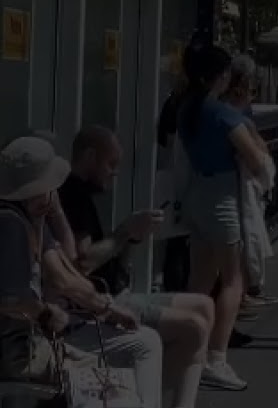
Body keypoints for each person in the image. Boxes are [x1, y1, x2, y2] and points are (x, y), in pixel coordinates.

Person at [0, 136, 165, 408]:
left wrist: (51, 214)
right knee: (113, 386)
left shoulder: (28, 219)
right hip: (19, 354)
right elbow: (10, 299)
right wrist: (45, 312)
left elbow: (66, 261)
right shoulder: (10, 227)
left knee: (114, 375)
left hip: (34, 343)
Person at [59, 126, 214, 408]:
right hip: (105, 301)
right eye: (111, 164)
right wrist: (123, 232)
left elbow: (108, 262)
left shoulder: (83, 196)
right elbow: (83, 263)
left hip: (115, 292)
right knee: (194, 327)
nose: (114, 173)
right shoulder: (72, 195)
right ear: (90, 156)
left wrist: (132, 237)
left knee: (205, 306)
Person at [176, 43, 271, 391]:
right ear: (215, 77)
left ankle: (188, 349)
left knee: (200, 279)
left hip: (197, 195)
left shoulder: (188, 110)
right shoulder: (224, 115)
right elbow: (257, 161)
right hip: (223, 199)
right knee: (233, 281)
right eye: (225, 73)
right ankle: (216, 357)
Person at [222, 56, 277, 310]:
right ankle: (234, 309)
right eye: (251, 90)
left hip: (220, 195)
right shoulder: (236, 121)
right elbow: (259, 162)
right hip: (232, 196)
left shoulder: (225, 116)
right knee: (238, 249)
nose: (251, 97)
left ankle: (240, 296)